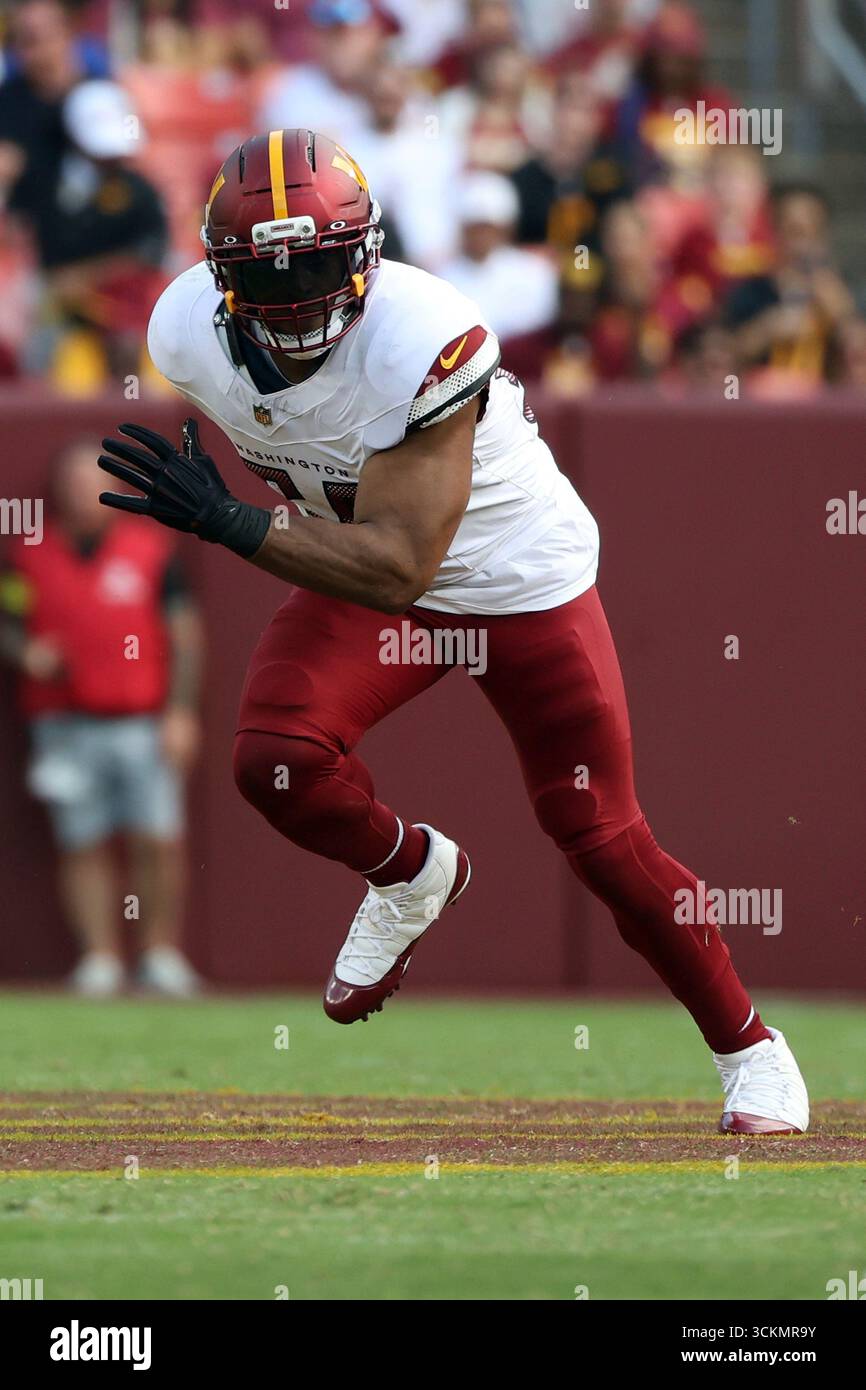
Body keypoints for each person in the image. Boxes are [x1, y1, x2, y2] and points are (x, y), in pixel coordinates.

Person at [100, 127, 809, 1134]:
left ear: (367, 252)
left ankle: (748, 1048)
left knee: (601, 836)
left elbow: (401, 565)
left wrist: (228, 519)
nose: (297, 292)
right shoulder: (182, 334)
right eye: (271, 272)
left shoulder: (420, 331)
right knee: (274, 762)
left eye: (318, 261)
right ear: (217, 276)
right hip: (361, 557)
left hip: (506, 575)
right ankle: (409, 870)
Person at [0, 439, 203, 996]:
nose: (82, 493)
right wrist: (26, 652)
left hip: (140, 718)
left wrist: (181, 711)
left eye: (92, 482)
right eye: (72, 483)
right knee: (81, 840)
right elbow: (8, 621)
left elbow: (184, 636)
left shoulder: (151, 551)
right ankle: (100, 958)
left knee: (156, 838)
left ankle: (159, 953)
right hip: (63, 722)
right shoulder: (30, 554)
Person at [439, 171, 559, 343]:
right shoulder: (443, 277)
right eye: (475, 227)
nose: (481, 236)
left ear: (506, 227)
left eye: (488, 227)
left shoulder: (535, 273)